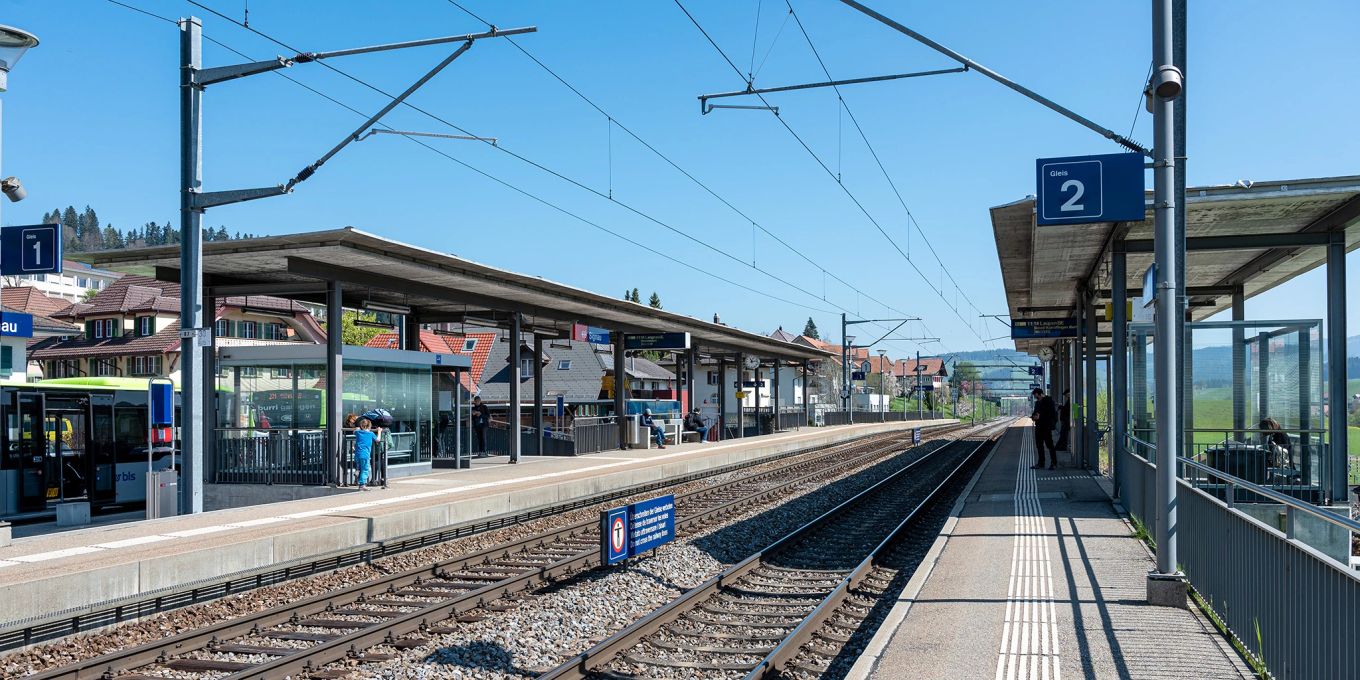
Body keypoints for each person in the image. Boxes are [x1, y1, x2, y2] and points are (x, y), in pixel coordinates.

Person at [1030, 388, 1058, 470]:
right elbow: (1035, 412)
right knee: (1039, 446)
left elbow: (1052, 414)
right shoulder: (1037, 403)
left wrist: (1040, 416)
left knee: (1049, 445)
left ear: (1039, 394)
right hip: (1038, 426)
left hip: (1046, 427)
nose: (1035, 397)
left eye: (1035, 395)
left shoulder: (1049, 401)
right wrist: (1033, 417)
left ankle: (1054, 463)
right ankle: (1041, 463)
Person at [353, 417, 380, 490]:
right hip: (365, 455)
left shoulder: (358, 432)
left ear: (361, 425)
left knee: (359, 467)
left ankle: (357, 472)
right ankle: (362, 485)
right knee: (365, 469)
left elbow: (354, 432)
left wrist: (358, 429)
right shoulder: (371, 433)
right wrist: (379, 431)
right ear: (370, 426)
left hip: (357, 454)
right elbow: (378, 440)